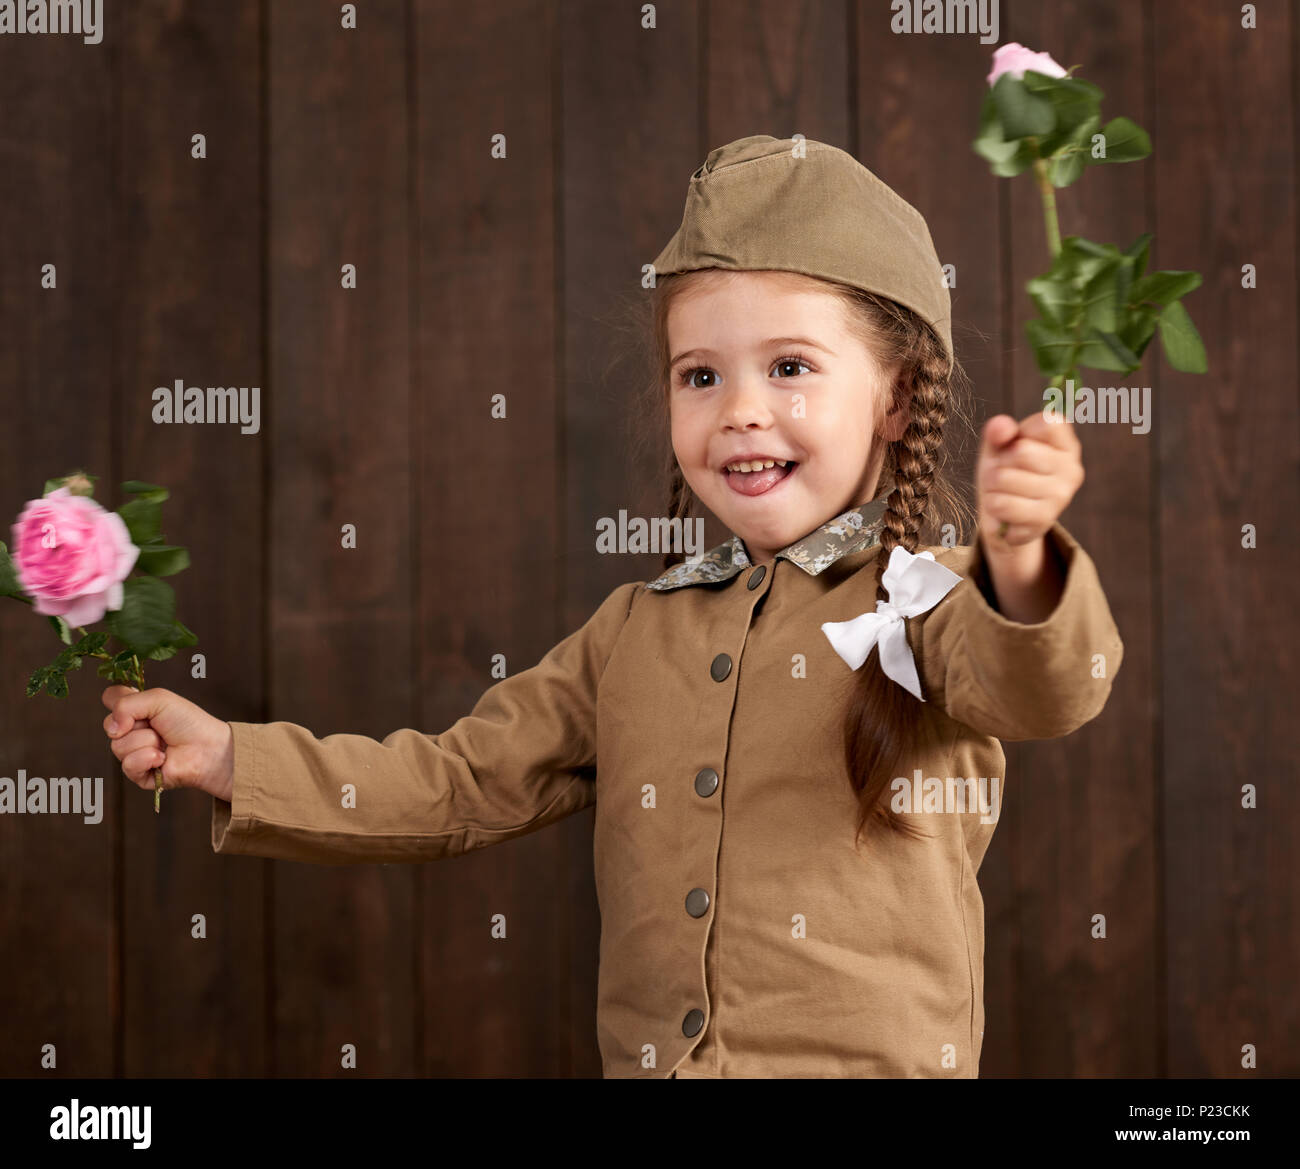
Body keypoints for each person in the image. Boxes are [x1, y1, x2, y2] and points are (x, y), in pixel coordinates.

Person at [101, 134, 1124, 1078]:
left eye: (789, 366)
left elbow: (1047, 685)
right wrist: (235, 758)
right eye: (699, 374)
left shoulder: (930, 599)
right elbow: (459, 780)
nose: (740, 411)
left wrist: (1020, 554)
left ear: (896, 400)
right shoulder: (635, 630)